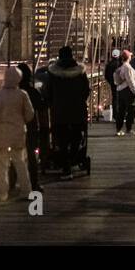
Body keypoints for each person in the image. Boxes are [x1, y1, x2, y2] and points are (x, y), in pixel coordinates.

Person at [0, 65, 36, 202]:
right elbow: (30, 114)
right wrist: (22, 121)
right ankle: (26, 191)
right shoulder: (22, 95)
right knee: (20, 163)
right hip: (17, 133)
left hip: (1, 133)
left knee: (1, 165)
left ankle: (2, 193)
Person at [43, 45, 90, 180]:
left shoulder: (53, 74)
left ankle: (65, 166)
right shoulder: (80, 73)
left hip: (59, 112)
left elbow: (48, 92)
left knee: (61, 140)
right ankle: (73, 158)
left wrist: (53, 103)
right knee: (76, 136)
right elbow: (85, 91)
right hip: (78, 111)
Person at [15, 62, 44, 192]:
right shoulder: (32, 92)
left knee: (14, 157)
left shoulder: (13, 93)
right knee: (31, 156)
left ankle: (12, 183)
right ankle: (34, 184)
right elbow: (40, 107)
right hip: (31, 127)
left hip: (15, 128)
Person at [113, 50, 135, 136]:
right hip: (127, 90)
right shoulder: (127, 67)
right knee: (130, 110)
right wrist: (134, 91)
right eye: (130, 56)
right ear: (128, 57)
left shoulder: (121, 67)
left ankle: (119, 129)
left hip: (120, 90)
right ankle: (129, 128)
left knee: (121, 110)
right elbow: (130, 80)